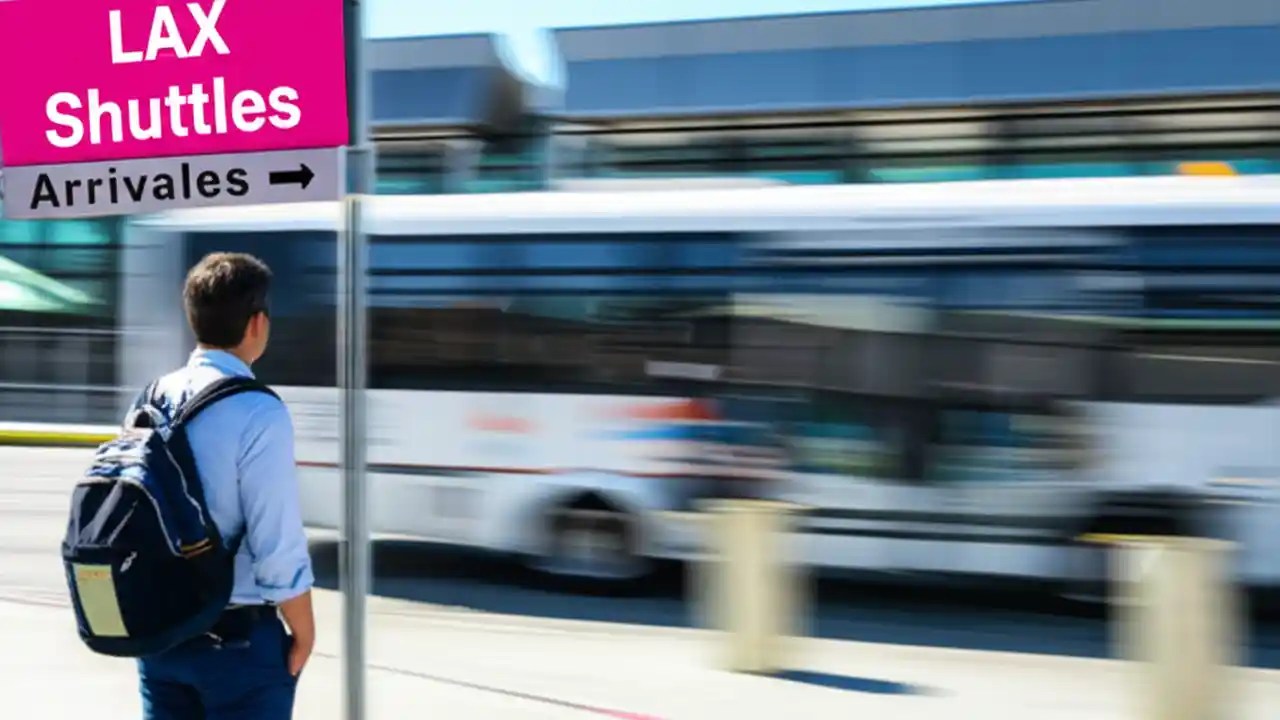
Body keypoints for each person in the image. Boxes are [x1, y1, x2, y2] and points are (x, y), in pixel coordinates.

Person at [136, 252, 315, 720]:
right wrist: (303, 630)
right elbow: (276, 540)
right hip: (238, 643)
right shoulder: (260, 412)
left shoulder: (151, 397)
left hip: (160, 633)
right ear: (257, 323)